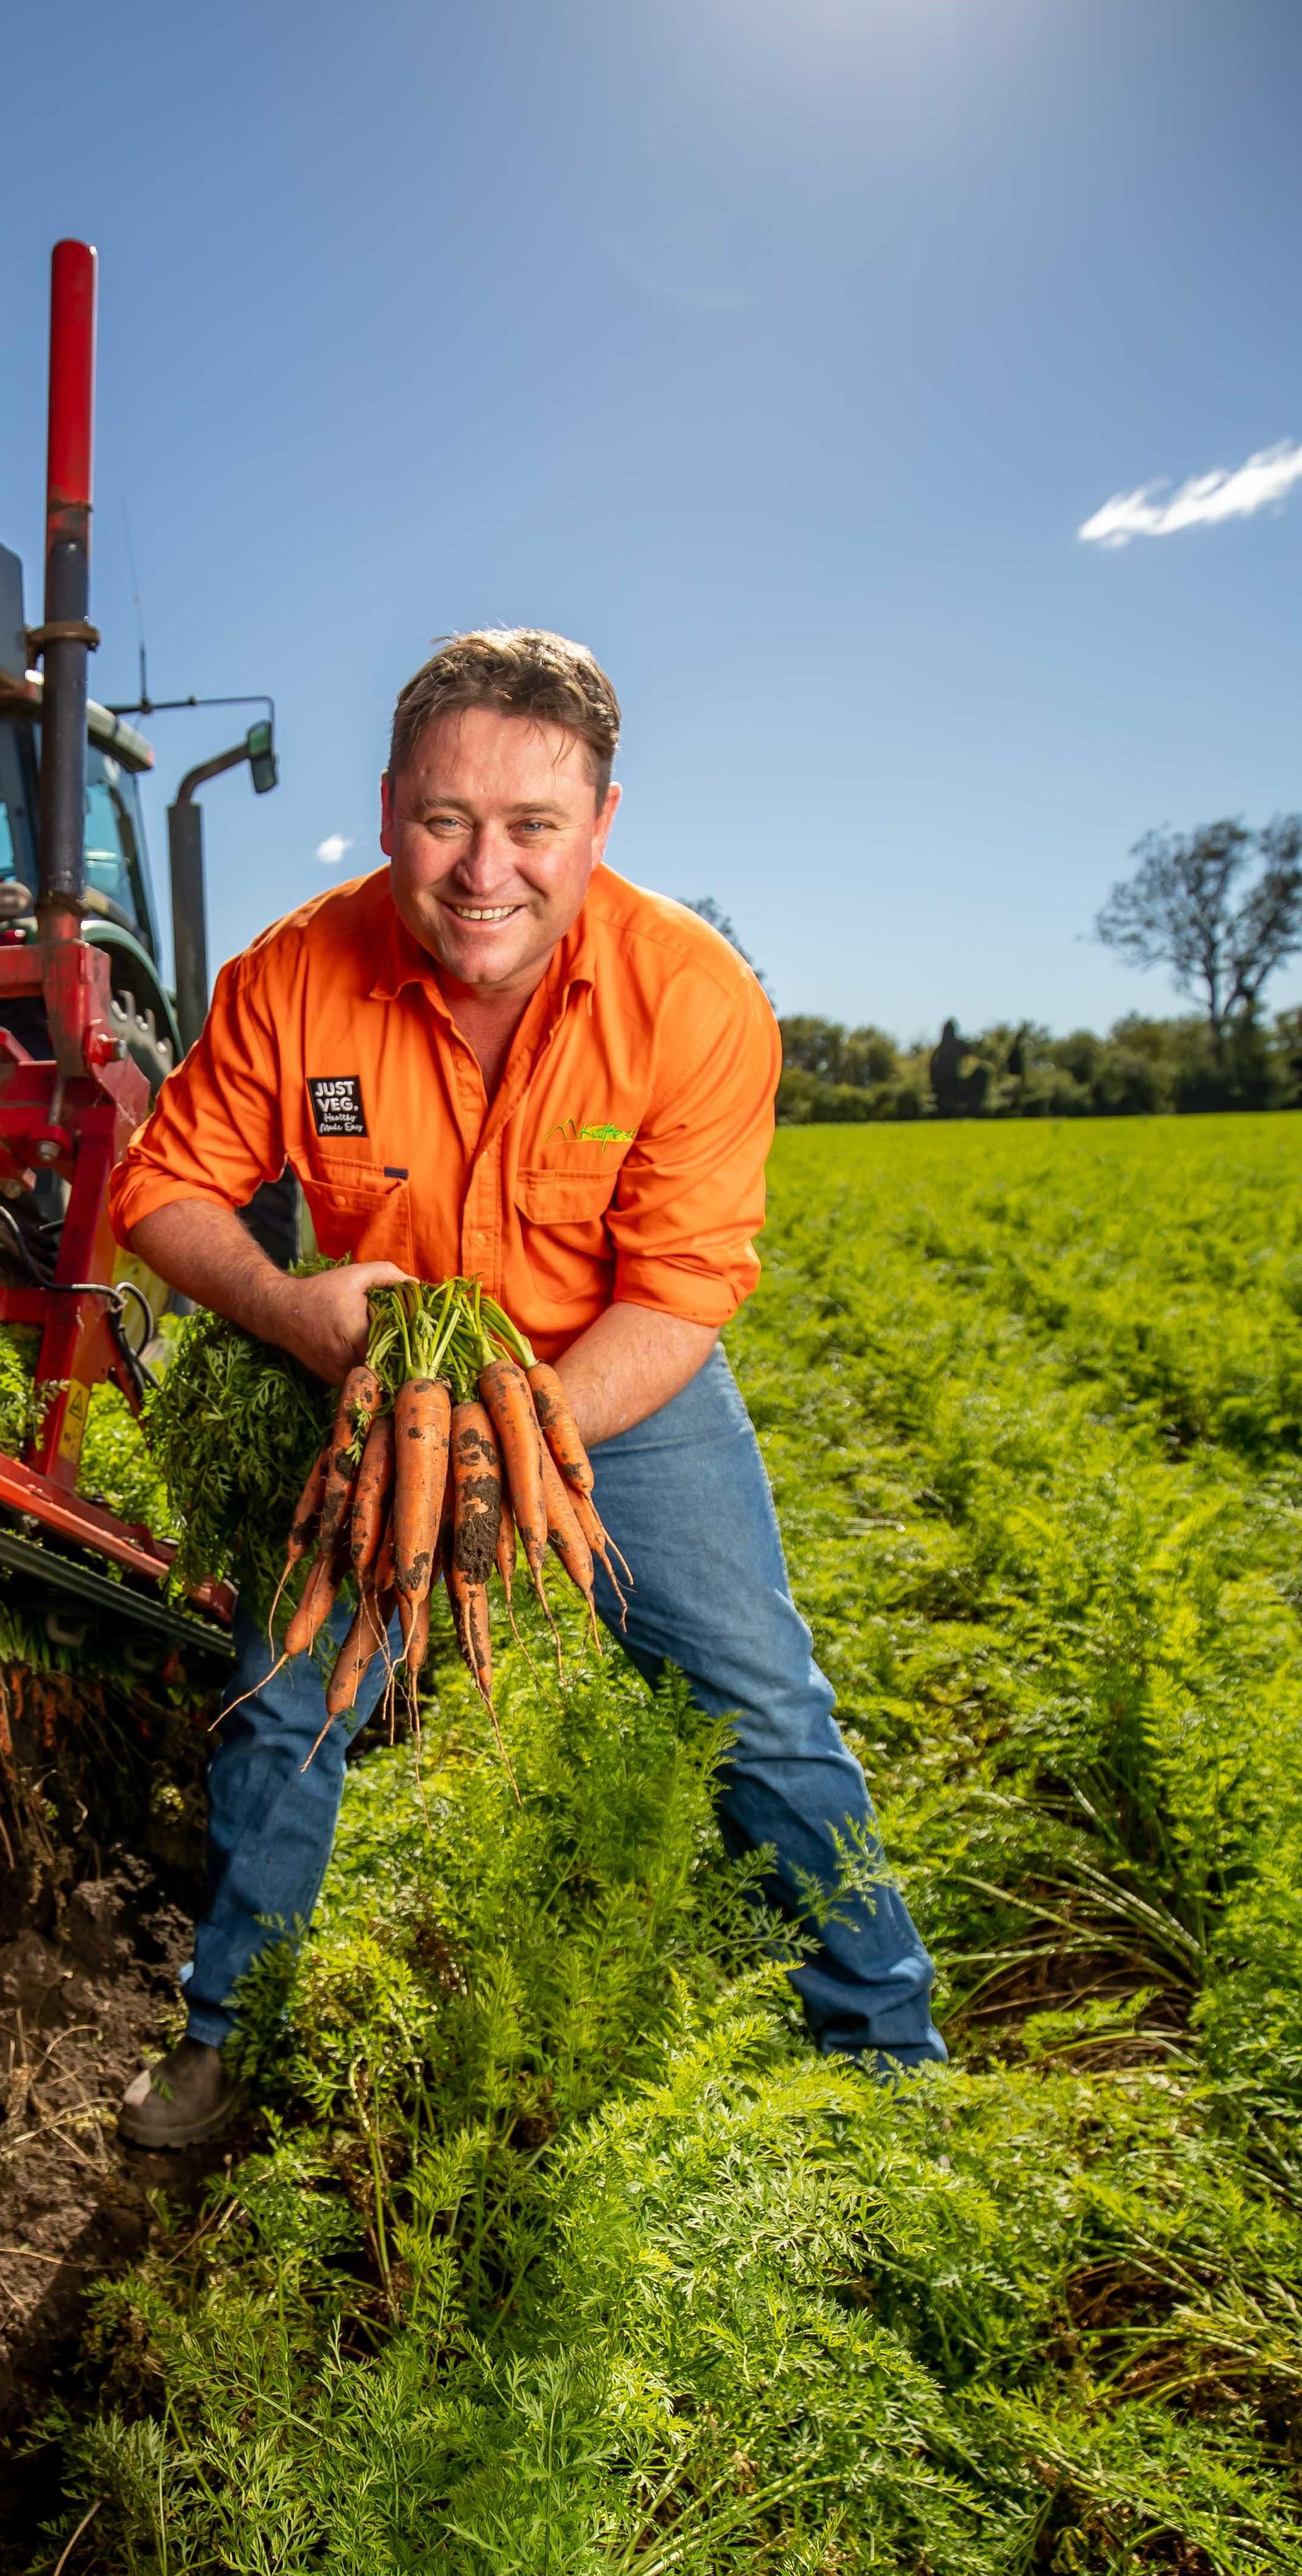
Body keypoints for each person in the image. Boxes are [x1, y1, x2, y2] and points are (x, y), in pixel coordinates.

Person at [109, 629, 942, 2149]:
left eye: (531, 827)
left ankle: (886, 2061)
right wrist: (293, 1311)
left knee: (758, 1708)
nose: (481, 870)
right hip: (370, 1384)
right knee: (280, 1702)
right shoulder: (293, 974)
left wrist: (526, 1432)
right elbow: (161, 1188)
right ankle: (227, 2041)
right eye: (443, 820)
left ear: (600, 826)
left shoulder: (688, 998)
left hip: (617, 1386)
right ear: (384, 810)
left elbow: (680, 1290)